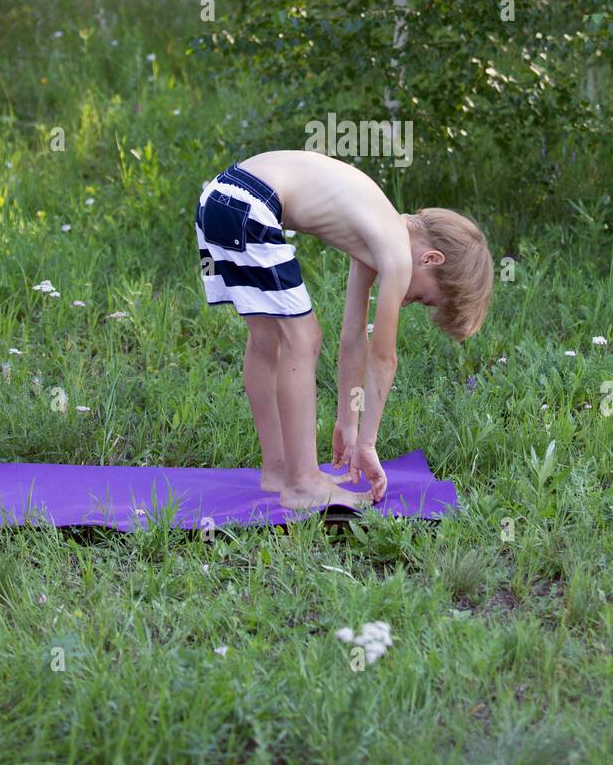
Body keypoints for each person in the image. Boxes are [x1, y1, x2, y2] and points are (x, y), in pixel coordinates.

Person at [194, 150, 494, 511]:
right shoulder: (397, 253)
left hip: (221, 198)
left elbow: (354, 340)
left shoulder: (377, 232)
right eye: (426, 298)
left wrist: (348, 424)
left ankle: (278, 470)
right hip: (250, 206)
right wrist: (368, 444)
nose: (410, 302)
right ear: (430, 259)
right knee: (303, 338)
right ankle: (302, 483)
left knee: (268, 339)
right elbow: (384, 357)